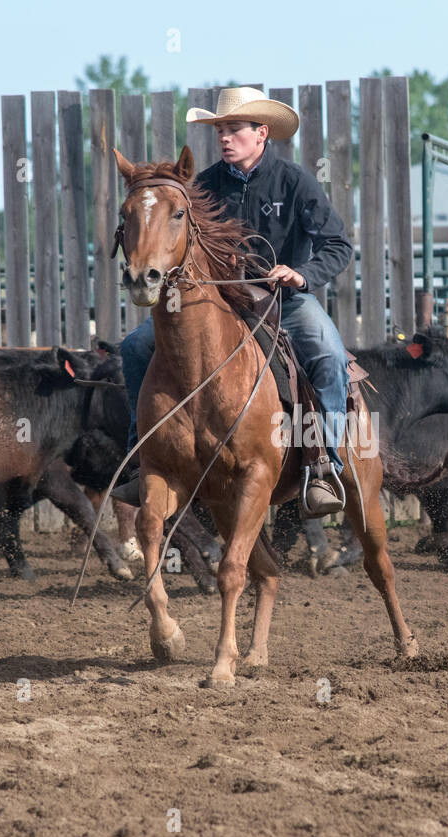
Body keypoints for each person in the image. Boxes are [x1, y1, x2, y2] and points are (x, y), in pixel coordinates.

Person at [112, 87, 354, 516]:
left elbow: (338, 245)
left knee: (329, 354)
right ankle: (139, 456)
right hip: (218, 302)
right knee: (134, 347)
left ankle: (322, 463)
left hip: (285, 301)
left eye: (234, 129)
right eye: (221, 130)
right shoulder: (200, 186)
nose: (225, 138)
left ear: (262, 133)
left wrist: (302, 275)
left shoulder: (295, 182)